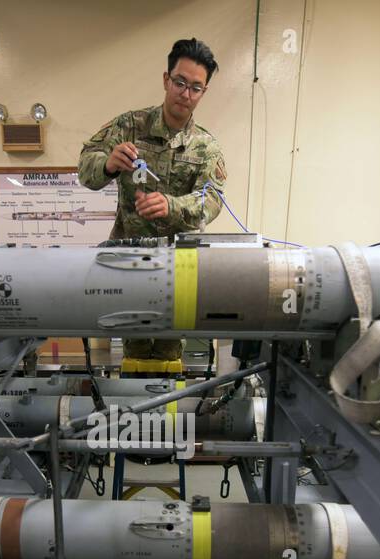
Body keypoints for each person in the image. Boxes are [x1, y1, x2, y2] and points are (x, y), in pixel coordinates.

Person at [79, 37, 227, 361]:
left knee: (170, 351)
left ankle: (168, 412)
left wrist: (172, 206)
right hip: (129, 262)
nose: (185, 94)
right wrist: (106, 164)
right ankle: (135, 409)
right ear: (166, 80)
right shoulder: (128, 126)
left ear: (203, 92)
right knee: (133, 346)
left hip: (179, 269)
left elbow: (212, 200)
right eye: (180, 82)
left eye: (196, 88)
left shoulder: (206, 147)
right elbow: (84, 167)